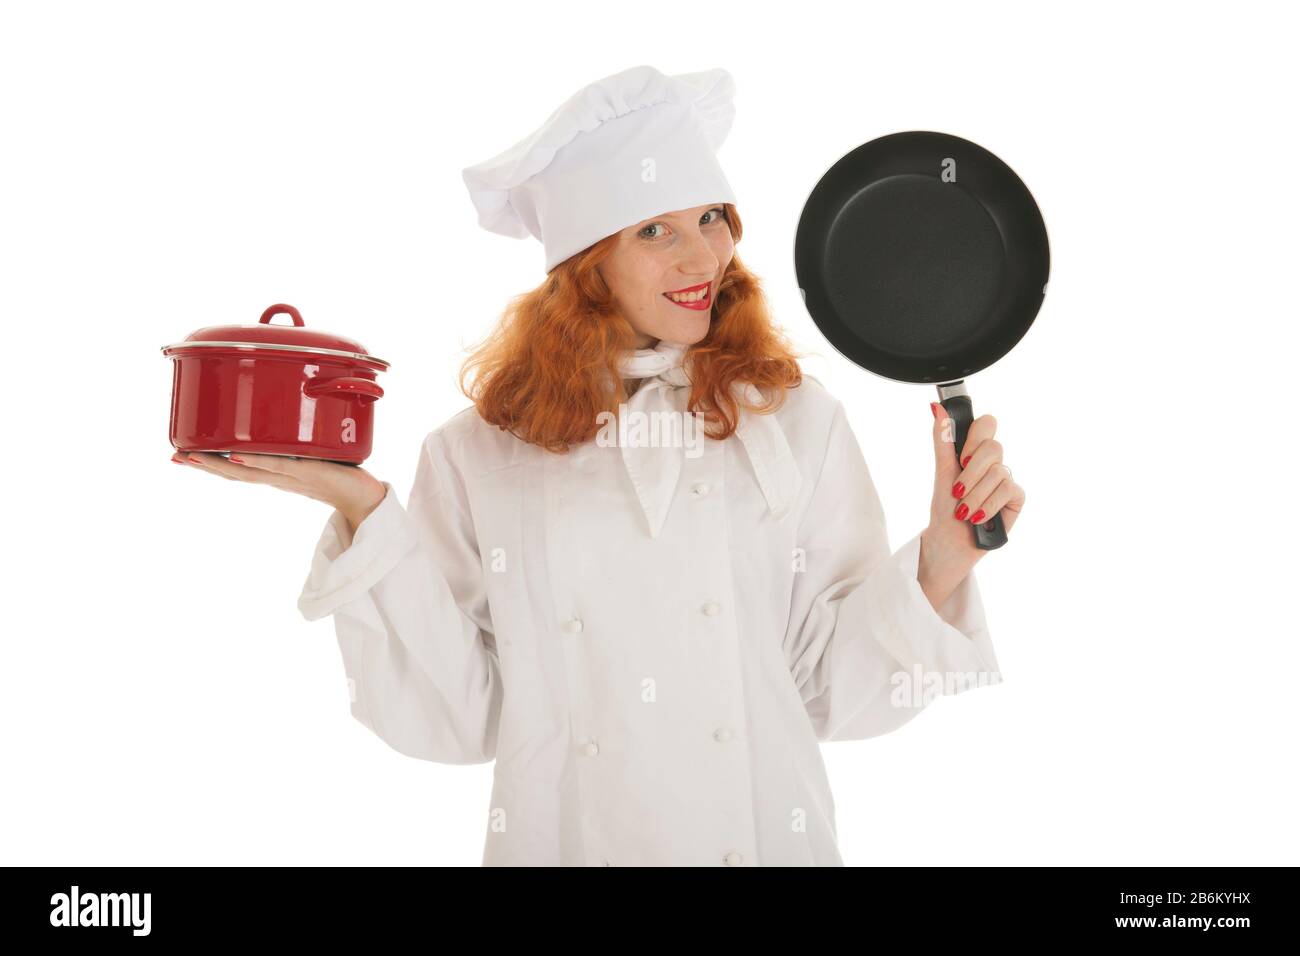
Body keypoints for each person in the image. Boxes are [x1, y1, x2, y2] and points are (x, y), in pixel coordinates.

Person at [172, 65, 1025, 866]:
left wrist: (946, 556)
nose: (702, 260)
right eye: (655, 230)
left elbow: (831, 694)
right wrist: (363, 510)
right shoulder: (477, 454)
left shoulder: (796, 423)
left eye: (711, 218)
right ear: (584, 268)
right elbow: (461, 719)